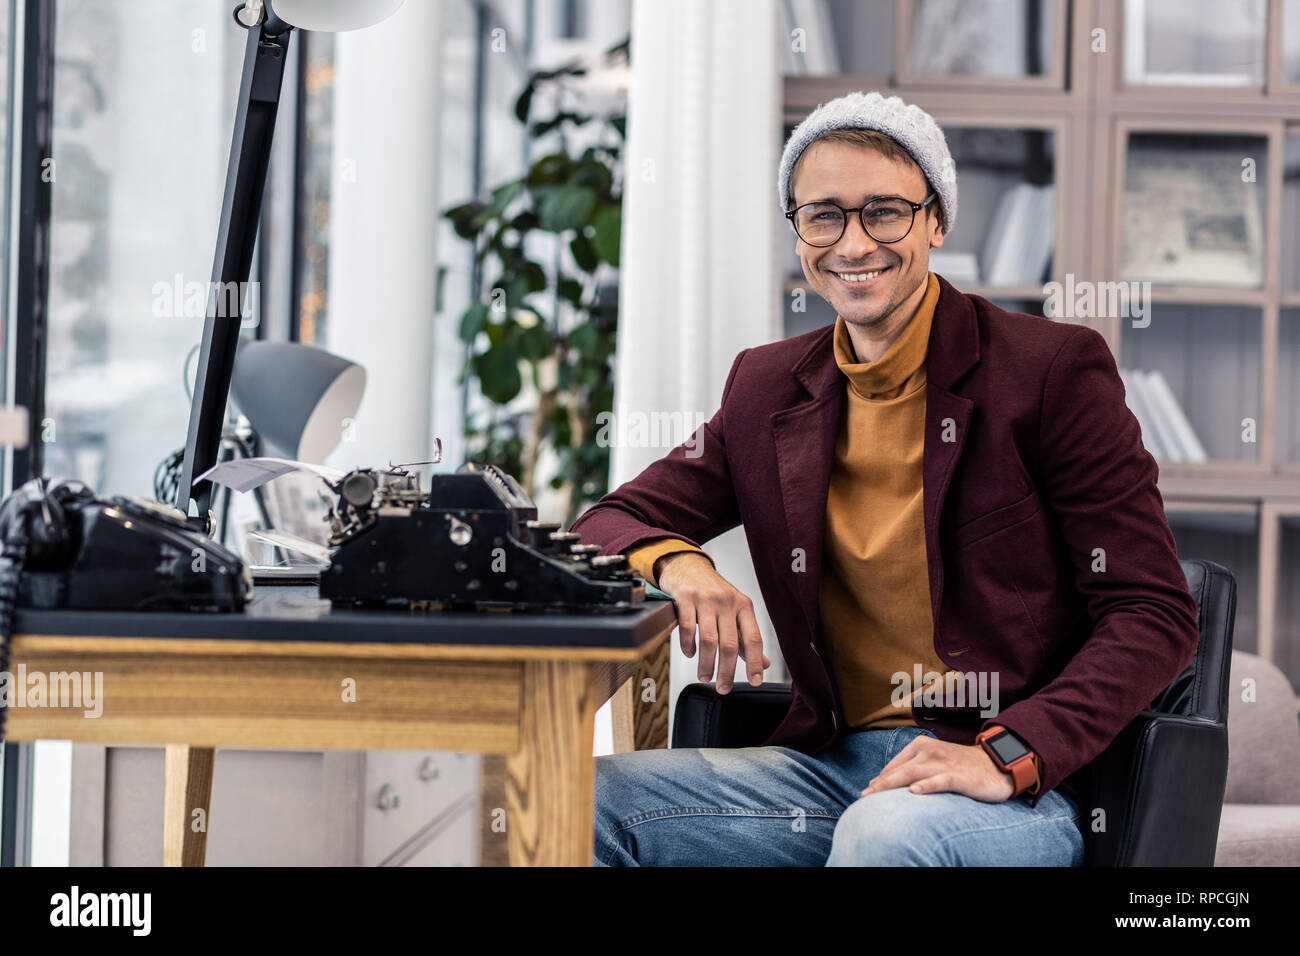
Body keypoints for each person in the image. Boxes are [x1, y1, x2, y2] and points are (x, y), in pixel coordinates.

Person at [569, 91, 1199, 866]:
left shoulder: (1048, 371)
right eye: (823, 215)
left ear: (936, 221)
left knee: (886, 836)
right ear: (798, 232)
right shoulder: (767, 387)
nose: (853, 242)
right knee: (583, 802)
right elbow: (606, 519)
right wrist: (679, 559)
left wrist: (1010, 753)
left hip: (1009, 782)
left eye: (885, 212)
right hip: (827, 768)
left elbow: (1154, 611)